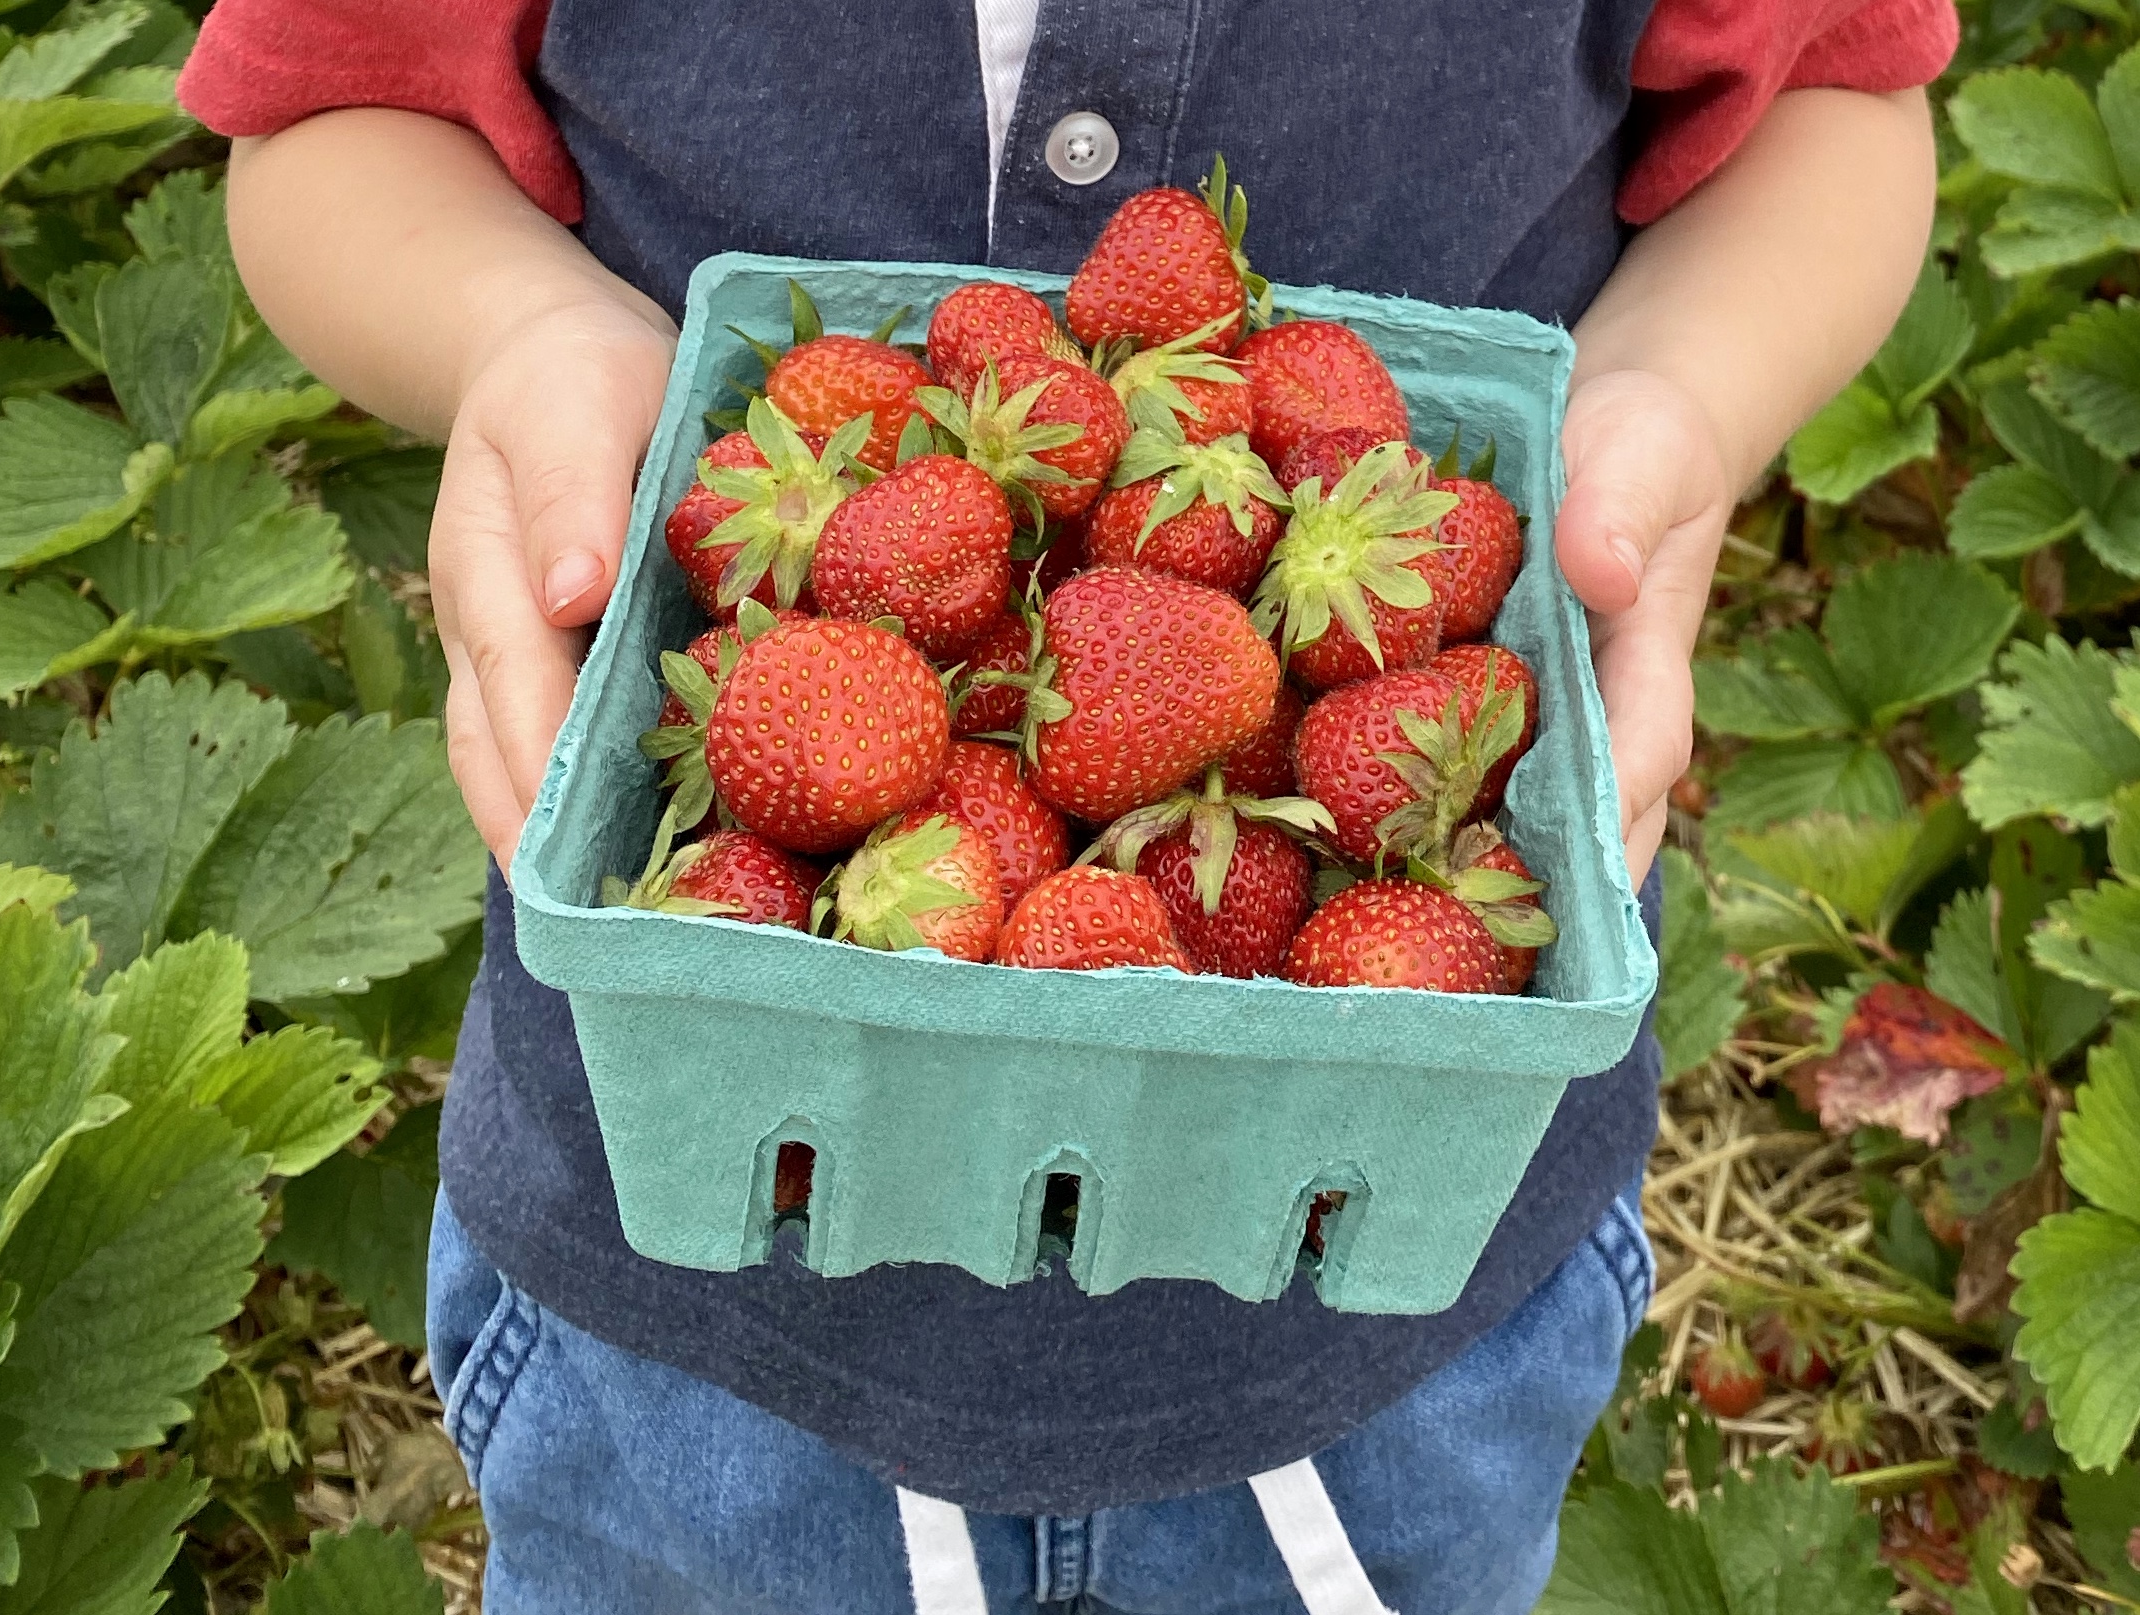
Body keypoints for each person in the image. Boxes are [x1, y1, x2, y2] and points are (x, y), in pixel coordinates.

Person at [179, 3, 1950, 1609]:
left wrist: (1670, 408)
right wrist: (519, 330)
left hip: (1399, 1301)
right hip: (697, 1305)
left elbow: (1829, 109)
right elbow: (331, 115)